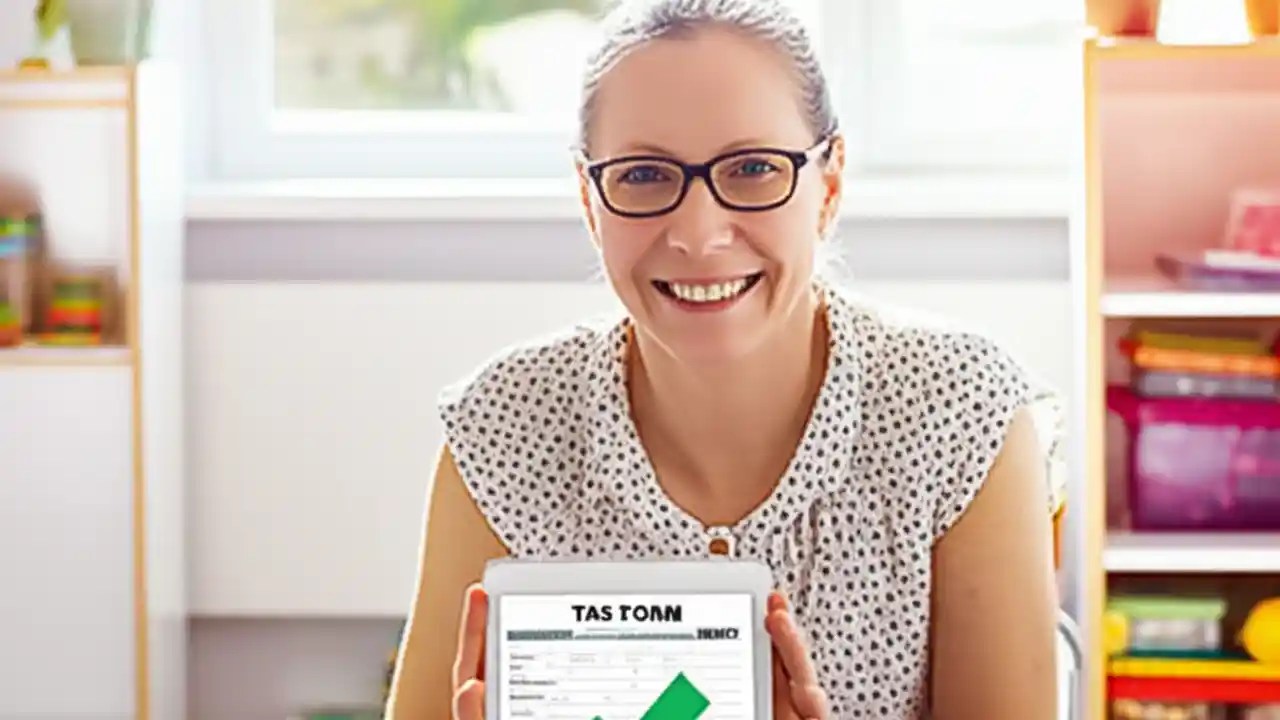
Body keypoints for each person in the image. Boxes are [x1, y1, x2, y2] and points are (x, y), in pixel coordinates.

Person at [385, 0, 1064, 718]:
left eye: (752, 168)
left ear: (828, 185)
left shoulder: (960, 413)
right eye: (644, 176)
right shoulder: (503, 428)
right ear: (591, 202)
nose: (699, 233)